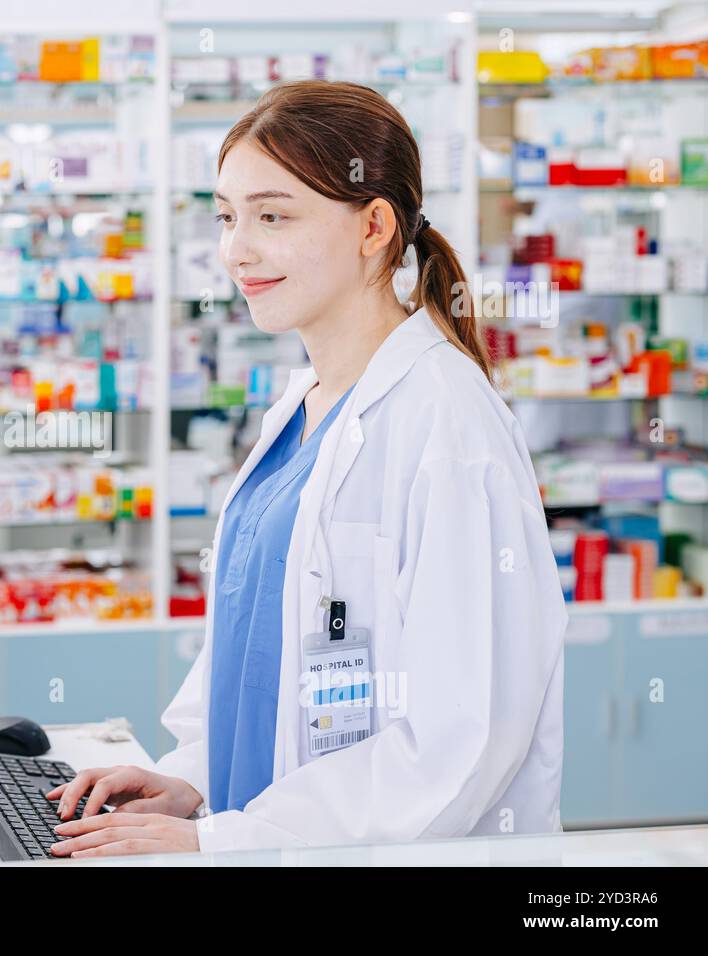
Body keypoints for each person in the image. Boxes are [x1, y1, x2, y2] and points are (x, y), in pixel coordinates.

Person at [47, 80, 567, 859]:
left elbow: (459, 741)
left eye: (273, 216)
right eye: (226, 216)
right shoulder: (304, 407)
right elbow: (261, 650)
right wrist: (194, 779)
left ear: (375, 226)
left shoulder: (446, 426)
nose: (236, 250)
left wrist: (228, 838)